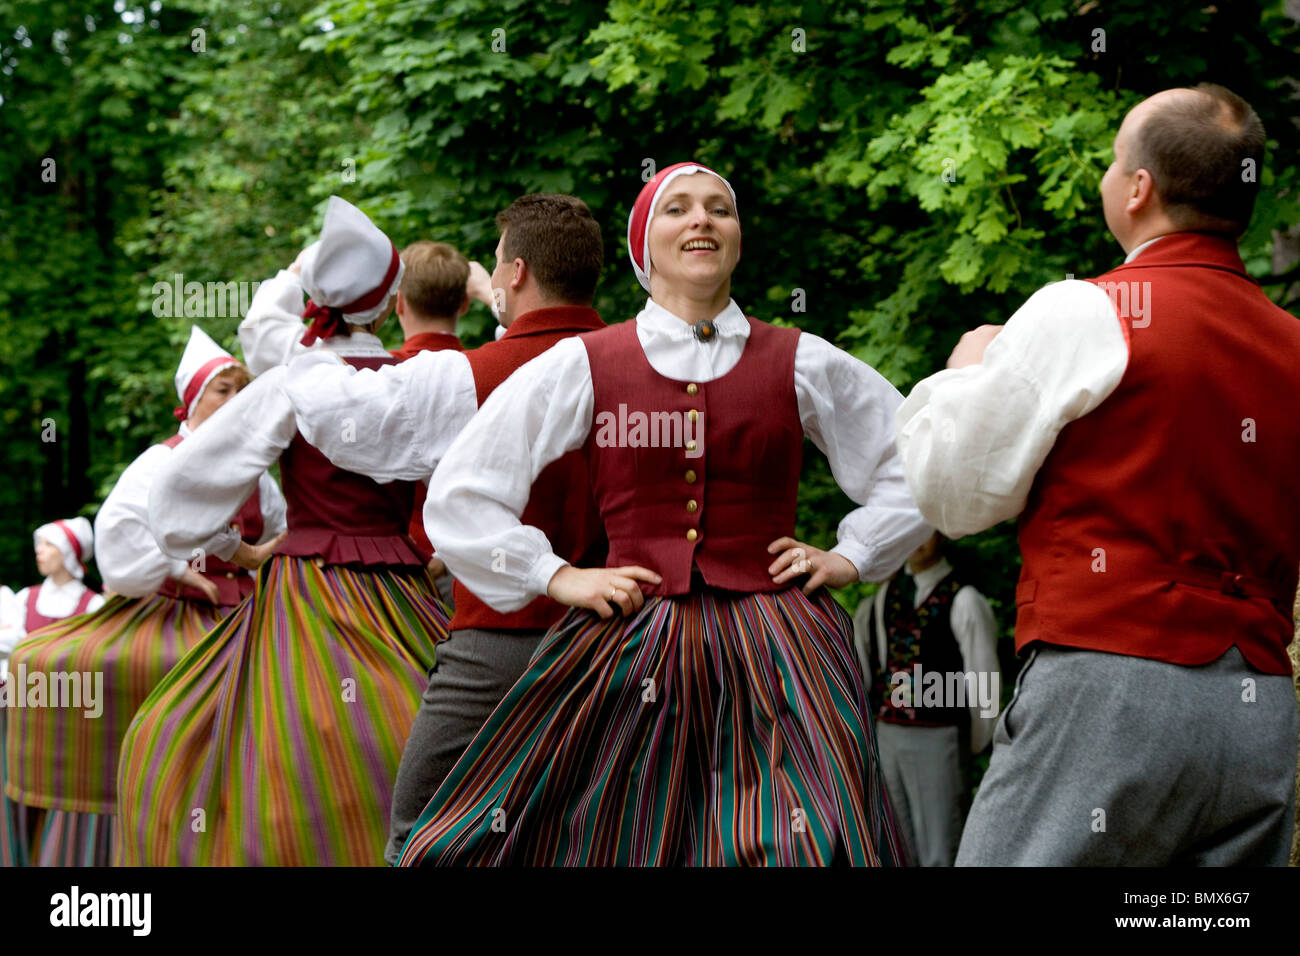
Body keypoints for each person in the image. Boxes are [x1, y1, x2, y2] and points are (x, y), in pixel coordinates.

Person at [395, 162, 932, 866]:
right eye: (677, 209)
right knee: (619, 836)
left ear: (739, 238)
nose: (703, 220)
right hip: (631, 643)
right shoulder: (586, 362)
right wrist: (557, 576)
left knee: (800, 839)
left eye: (720, 209)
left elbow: (919, 465)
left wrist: (852, 554)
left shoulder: (802, 361)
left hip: (782, 649)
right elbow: (464, 489)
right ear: (645, 248)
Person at [895, 83, 1300, 865]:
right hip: (1257, 713)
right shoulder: (1293, 346)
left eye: (1116, 161)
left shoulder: (1087, 311)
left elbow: (953, 492)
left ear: (1139, 189)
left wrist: (964, 371)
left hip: (1109, 688)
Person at [117, 196, 451, 866]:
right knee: (420, 727)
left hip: (302, 591)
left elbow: (184, 486)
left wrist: (228, 550)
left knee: (241, 740)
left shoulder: (295, 379)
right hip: (405, 591)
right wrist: (443, 553)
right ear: (391, 306)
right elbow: (470, 478)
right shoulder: (422, 381)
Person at [282, 193, 609, 863]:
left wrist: (305, 337)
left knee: (418, 831)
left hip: (501, 641)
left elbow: (337, 419)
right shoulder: (644, 361)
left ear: (514, 275)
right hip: (626, 639)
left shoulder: (465, 377)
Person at [3, 328, 285, 867]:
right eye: (223, 389)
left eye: (240, 389)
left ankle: (242, 820)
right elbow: (118, 532)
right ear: (193, 399)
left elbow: (277, 536)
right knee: (67, 664)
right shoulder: (162, 461)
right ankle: (117, 818)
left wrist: (258, 569)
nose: (234, 399)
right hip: (169, 605)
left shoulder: (256, 473)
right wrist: (178, 567)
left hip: (242, 609)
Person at [853, 531, 999, 866]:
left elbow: (983, 677)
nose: (918, 539)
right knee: (896, 840)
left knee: (940, 843)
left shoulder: (964, 599)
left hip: (940, 735)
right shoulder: (883, 597)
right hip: (887, 733)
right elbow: (872, 664)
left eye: (927, 530)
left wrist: (970, 741)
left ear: (942, 535)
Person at [0, 518, 103, 866]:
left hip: (66, 727)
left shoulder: (93, 607)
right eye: (39, 544)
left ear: (68, 551)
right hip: (18, 722)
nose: (38, 552)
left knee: (56, 802)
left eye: (47, 545)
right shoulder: (22, 599)